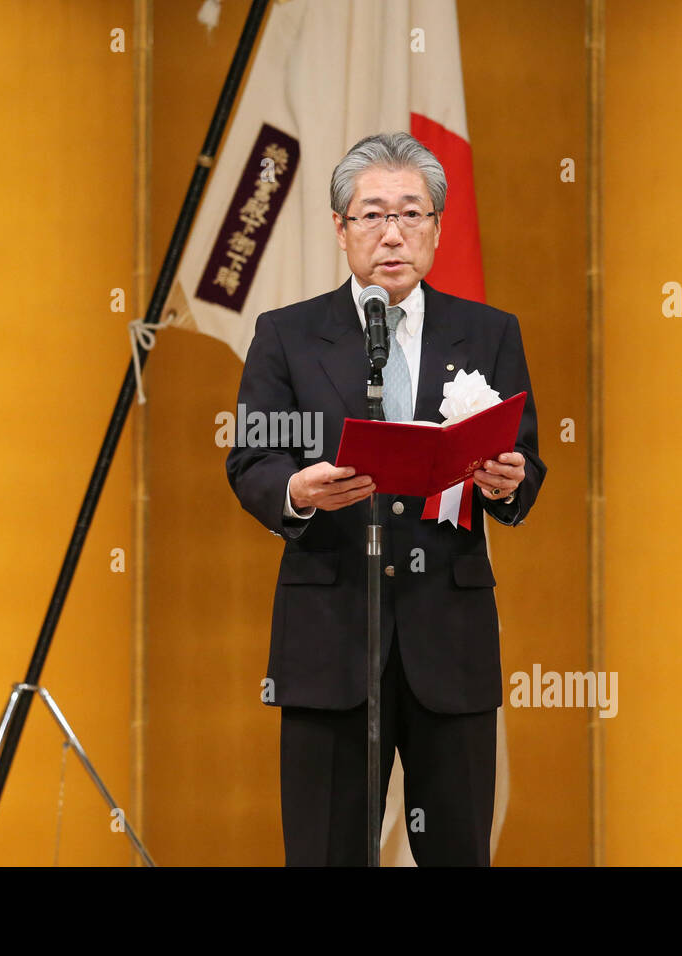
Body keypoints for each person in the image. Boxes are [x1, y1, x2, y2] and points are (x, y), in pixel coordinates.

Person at [225, 131, 545, 866]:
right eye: (370, 215)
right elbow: (253, 458)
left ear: (437, 227)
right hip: (329, 635)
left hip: (450, 640)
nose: (392, 233)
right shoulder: (289, 337)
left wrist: (511, 480)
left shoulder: (490, 333)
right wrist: (298, 491)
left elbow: (525, 460)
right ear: (340, 230)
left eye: (411, 213)